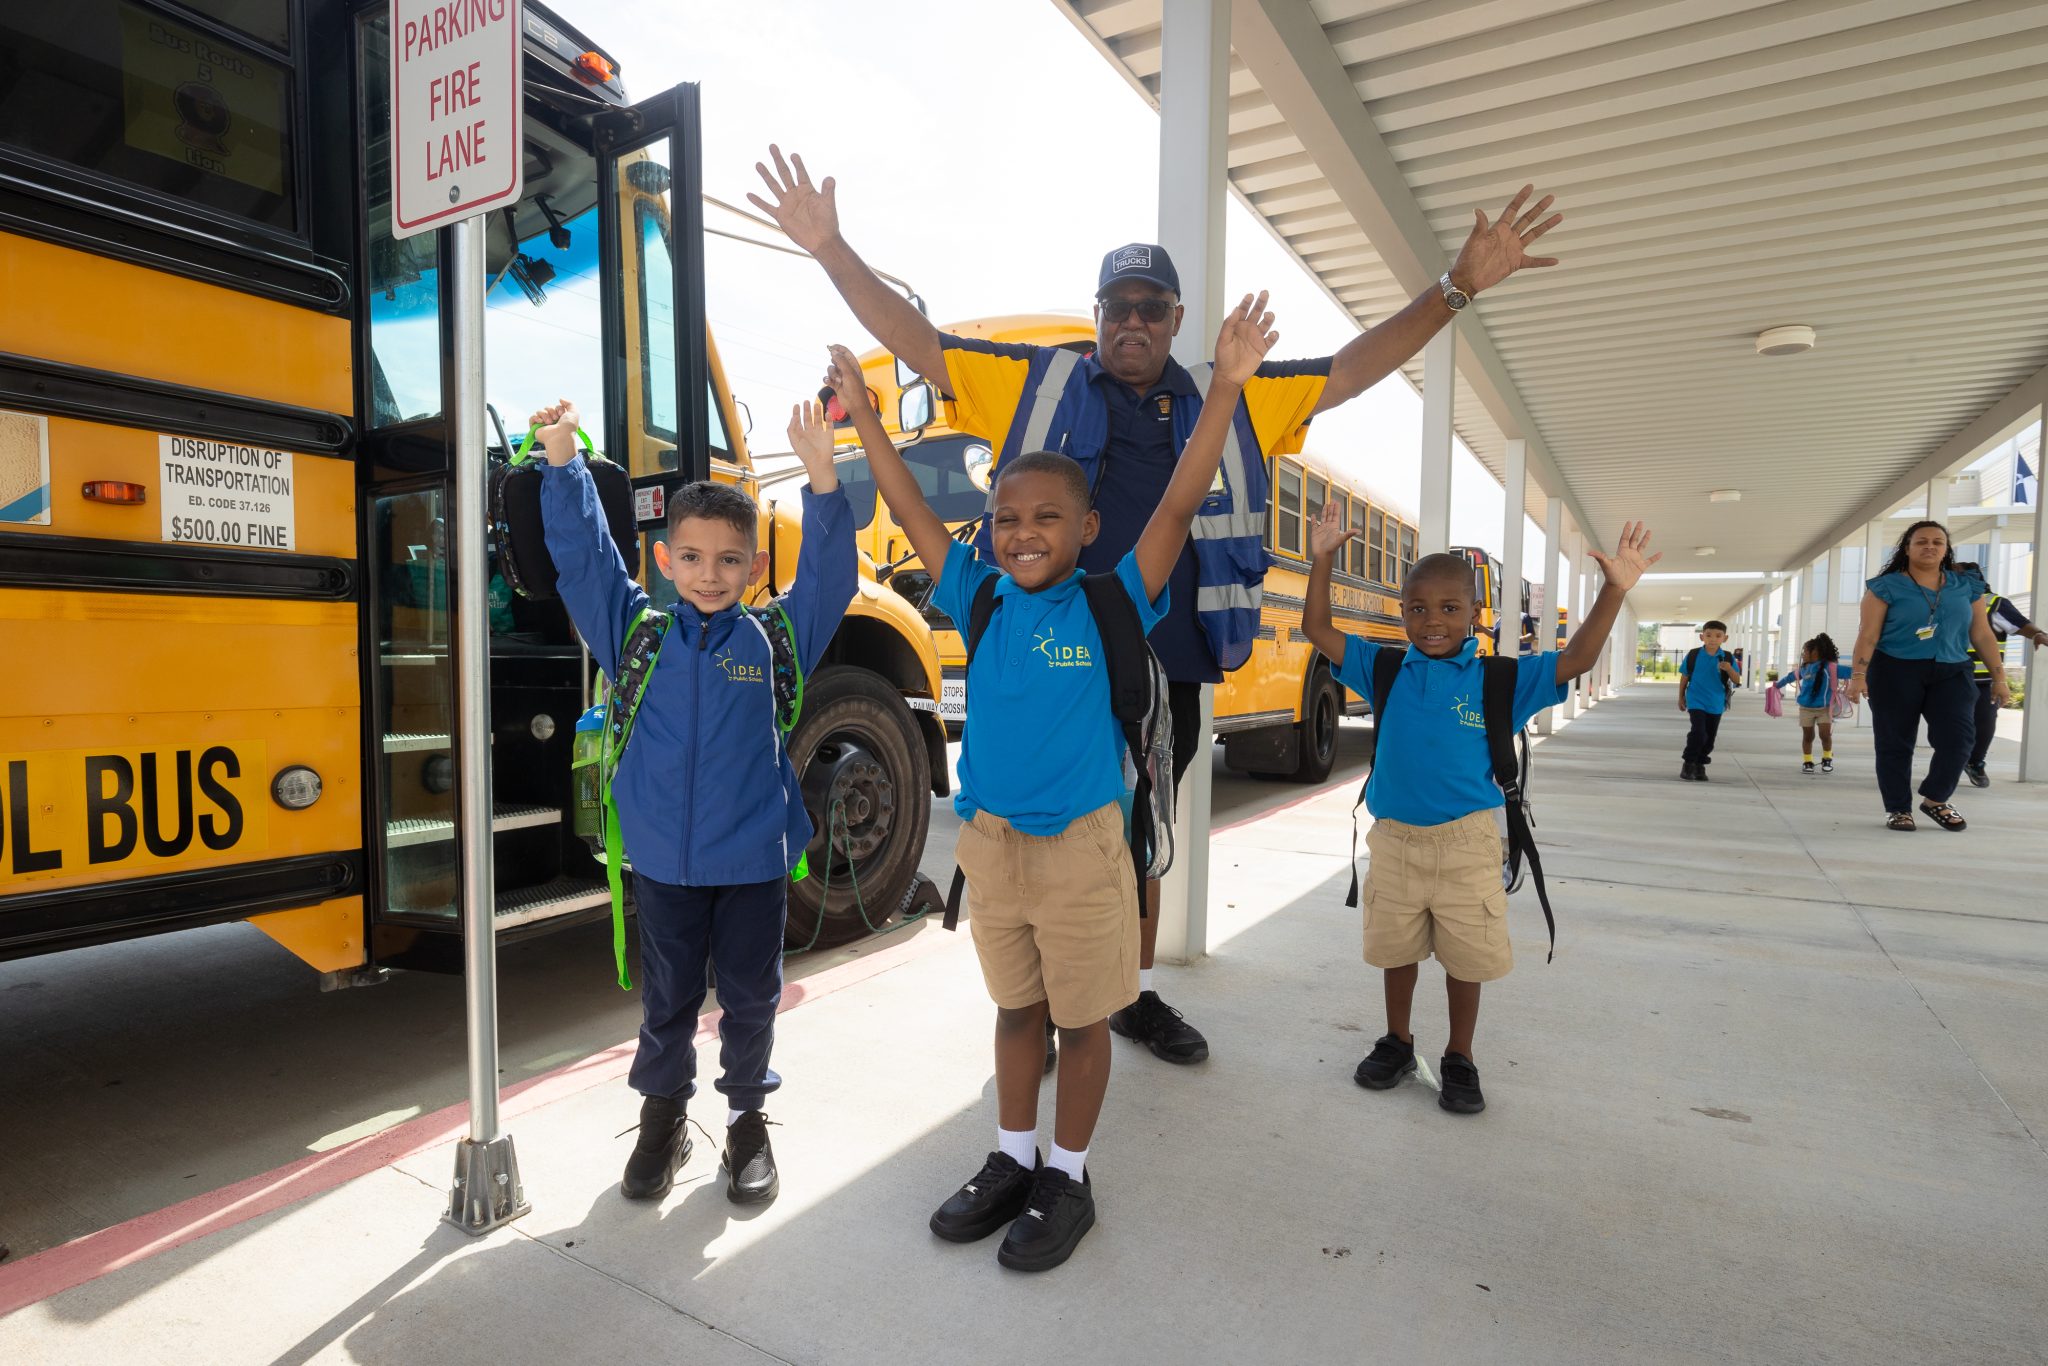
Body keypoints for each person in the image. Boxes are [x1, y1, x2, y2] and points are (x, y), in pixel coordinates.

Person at [749, 143, 1563, 1065]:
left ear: (1175, 320)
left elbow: (1348, 369)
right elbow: (917, 343)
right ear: (1099, 317)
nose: (1133, 321)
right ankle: (1041, 1001)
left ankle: (1121, 997)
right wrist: (831, 248)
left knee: (1135, 837)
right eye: (1117, 307)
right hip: (1051, 656)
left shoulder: (1233, 394)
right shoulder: (1038, 379)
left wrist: (1456, 286)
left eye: (1151, 308)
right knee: (1037, 826)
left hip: (1161, 666)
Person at [828, 295, 1277, 1271]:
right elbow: (906, 505)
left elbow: (1178, 499)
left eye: (1046, 518)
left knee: (1081, 1021)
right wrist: (865, 418)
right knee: (1014, 1012)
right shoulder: (975, 594)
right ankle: (1011, 1155)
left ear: (1086, 527)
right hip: (992, 848)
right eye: (1004, 519)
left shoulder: (1116, 596)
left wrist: (1229, 386)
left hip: (1082, 851)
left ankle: (1067, 1175)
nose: (1022, 533)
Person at [536, 396, 855, 1206]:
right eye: (691, 557)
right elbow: (585, 563)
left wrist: (822, 477)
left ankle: (747, 1122)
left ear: (752, 565)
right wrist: (564, 464)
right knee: (667, 999)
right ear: (665, 561)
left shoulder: (776, 640)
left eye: (729, 560)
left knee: (751, 999)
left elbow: (830, 576)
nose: (710, 575)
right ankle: (663, 1118)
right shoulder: (635, 636)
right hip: (666, 868)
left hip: (750, 864)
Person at [1301, 505, 1659, 1114]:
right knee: (1396, 949)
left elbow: (1576, 661)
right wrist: (1324, 560)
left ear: (1473, 614)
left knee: (1465, 957)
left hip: (1467, 843)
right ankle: (1397, 1039)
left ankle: (1459, 1055)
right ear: (1403, 612)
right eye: (1418, 609)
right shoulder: (1383, 666)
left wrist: (1614, 591)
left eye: (1448, 608)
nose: (1432, 621)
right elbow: (1316, 629)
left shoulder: (1499, 679)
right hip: (1393, 839)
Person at [1842, 521, 2009, 831]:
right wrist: (1858, 675)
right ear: (1907, 548)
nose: (1930, 546)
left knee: (1960, 738)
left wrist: (1999, 677)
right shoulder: (1885, 586)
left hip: (1953, 669)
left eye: (1937, 542)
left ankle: (1935, 798)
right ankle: (1898, 809)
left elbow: (1982, 634)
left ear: (1946, 549)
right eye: (1921, 541)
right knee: (1895, 742)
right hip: (1895, 669)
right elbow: (1868, 635)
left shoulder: (1966, 586)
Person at [1951, 561, 2048, 787]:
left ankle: (1975, 762)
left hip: (1984, 681)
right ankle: (1950, 763)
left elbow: (2020, 624)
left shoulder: (1994, 603)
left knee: (1984, 724)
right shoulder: (1940, 600)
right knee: (1951, 726)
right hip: (1949, 678)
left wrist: (2038, 634)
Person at [1772, 633, 1849, 773]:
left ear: (1816, 652)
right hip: (1806, 709)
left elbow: (1852, 672)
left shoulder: (1831, 668)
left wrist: (1865, 672)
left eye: (1806, 651)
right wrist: (1776, 685)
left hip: (1824, 708)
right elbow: (1790, 677)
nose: (1803, 654)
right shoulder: (1805, 669)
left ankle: (1827, 758)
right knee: (1808, 736)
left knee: (1825, 735)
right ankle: (1808, 761)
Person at [1677, 620, 1740, 781]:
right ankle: (1689, 763)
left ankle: (1700, 764)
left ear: (1724, 639)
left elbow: (1737, 679)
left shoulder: (1727, 657)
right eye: (1709, 635)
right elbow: (1684, 677)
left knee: (1710, 737)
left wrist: (1729, 669)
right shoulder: (1693, 655)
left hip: (1716, 702)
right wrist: (1681, 697)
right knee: (1698, 732)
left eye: (1718, 636)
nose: (1713, 639)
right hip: (1696, 699)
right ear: (1702, 637)